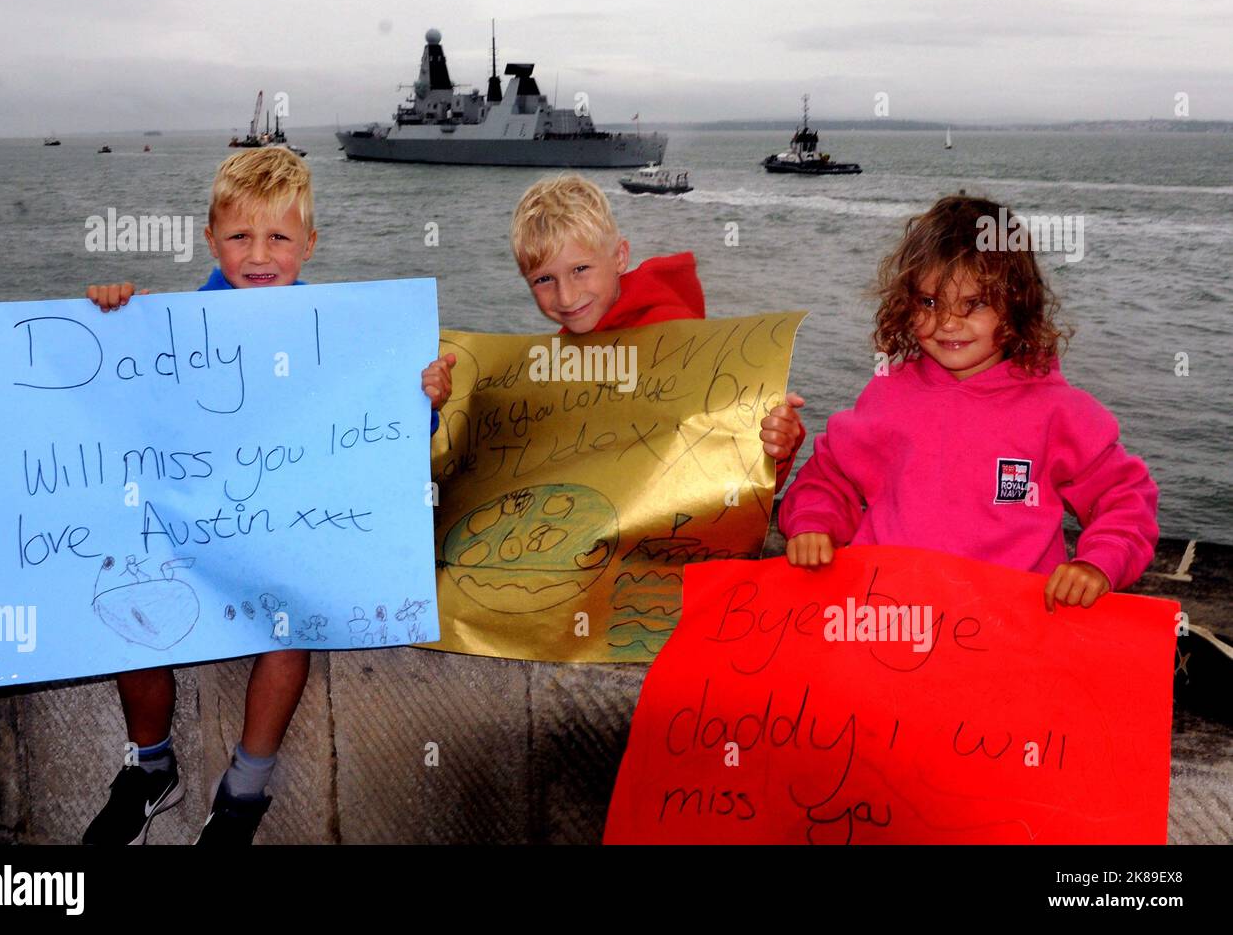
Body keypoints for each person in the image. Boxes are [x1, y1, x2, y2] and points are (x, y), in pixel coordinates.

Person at [82, 147, 455, 844]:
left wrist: (424, 399)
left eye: (279, 237)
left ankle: (244, 793)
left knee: (291, 633)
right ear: (210, 239)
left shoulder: (337, 332)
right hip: (197, 533)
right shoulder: (173, 325)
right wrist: (113, 318)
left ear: (308, 244)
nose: (259, 254)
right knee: (128, 613)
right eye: (239, 237)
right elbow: (125, 394)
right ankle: (150, 767)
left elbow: (378, 432)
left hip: (280, 536)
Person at [781, 194, 1159, 611]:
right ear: (906, 304)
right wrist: (814, 524)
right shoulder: (888, 393)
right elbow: (831, 476)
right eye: (929, 302)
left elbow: (1125, 497)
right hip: (888, 616)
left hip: (1007, 631)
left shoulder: (1058, 411)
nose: (947, 323)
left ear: (1016, 303)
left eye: (973, 303)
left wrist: (1098, 564)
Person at [509, 173, 805, 480]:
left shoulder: (677, 337)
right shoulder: (558, 356)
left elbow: (739, 465)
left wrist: (779, 442)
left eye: (580, 269)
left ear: (620, 257)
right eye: (544, 279)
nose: (567, 297)